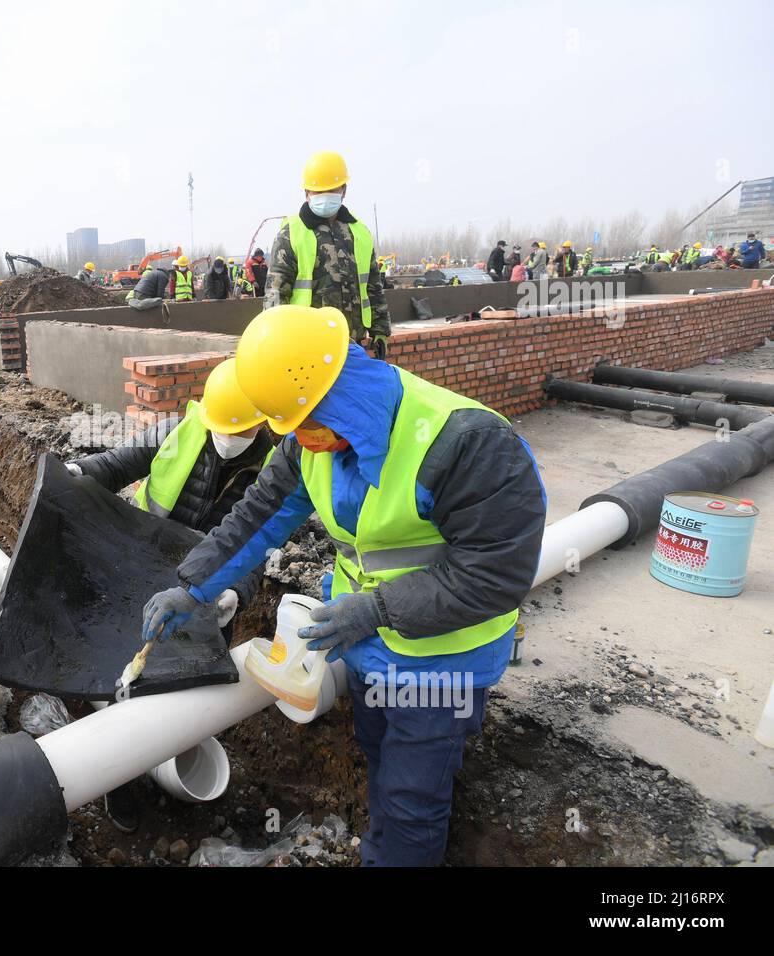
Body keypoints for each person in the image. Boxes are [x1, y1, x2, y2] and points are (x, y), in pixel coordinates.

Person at [141, 305, 547, 867]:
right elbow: (257, 517)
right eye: (293, 430)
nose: (303, 442)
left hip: (444, 659)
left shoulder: (469, 444)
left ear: (342, 396)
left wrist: (377, 608)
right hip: (369, 649)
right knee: (381, 761)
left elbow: (495, 573)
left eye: (309, 424)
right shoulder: (311, 442)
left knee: (411, 799)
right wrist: (195, 587)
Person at [69, 358, 274, 831]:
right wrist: (77, 471)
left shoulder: (271, 467)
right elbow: (119, 463)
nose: (227, 438)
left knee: (187, 678)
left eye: (237, 430)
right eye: (220, 427)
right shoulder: (181, 430)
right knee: (124, 666)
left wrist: (235, 594)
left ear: (260, 422)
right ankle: (120, 778)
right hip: (143, 557)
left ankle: (174, 750)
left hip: (206, 586)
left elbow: (259, 543)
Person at [268, 150, 391, 359]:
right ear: (307, 192)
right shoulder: (292, 232)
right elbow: (276, 293)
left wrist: (380, 331)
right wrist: (277, 340)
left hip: (353, 344)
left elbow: (373, 286)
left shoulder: (359, 232)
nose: (325, 196)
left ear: (344, 189)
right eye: (318, 191)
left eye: (331, 190)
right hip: (308, 347)